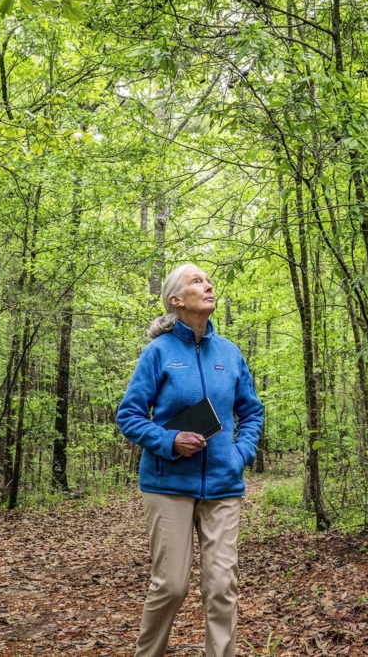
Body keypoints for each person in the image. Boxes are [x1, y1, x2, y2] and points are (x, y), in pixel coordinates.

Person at [117, 262, 265, 657]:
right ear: (176, 300)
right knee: (171, 585)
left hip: (223, 485)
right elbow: (128, 416)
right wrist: (169, 440)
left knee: (221, 586)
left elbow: (252, 413)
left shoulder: (230, 354)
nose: (208, 284)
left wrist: (240, 453)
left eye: (209, 279)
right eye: (196, 281)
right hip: (168, 486)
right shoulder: (158, 353)